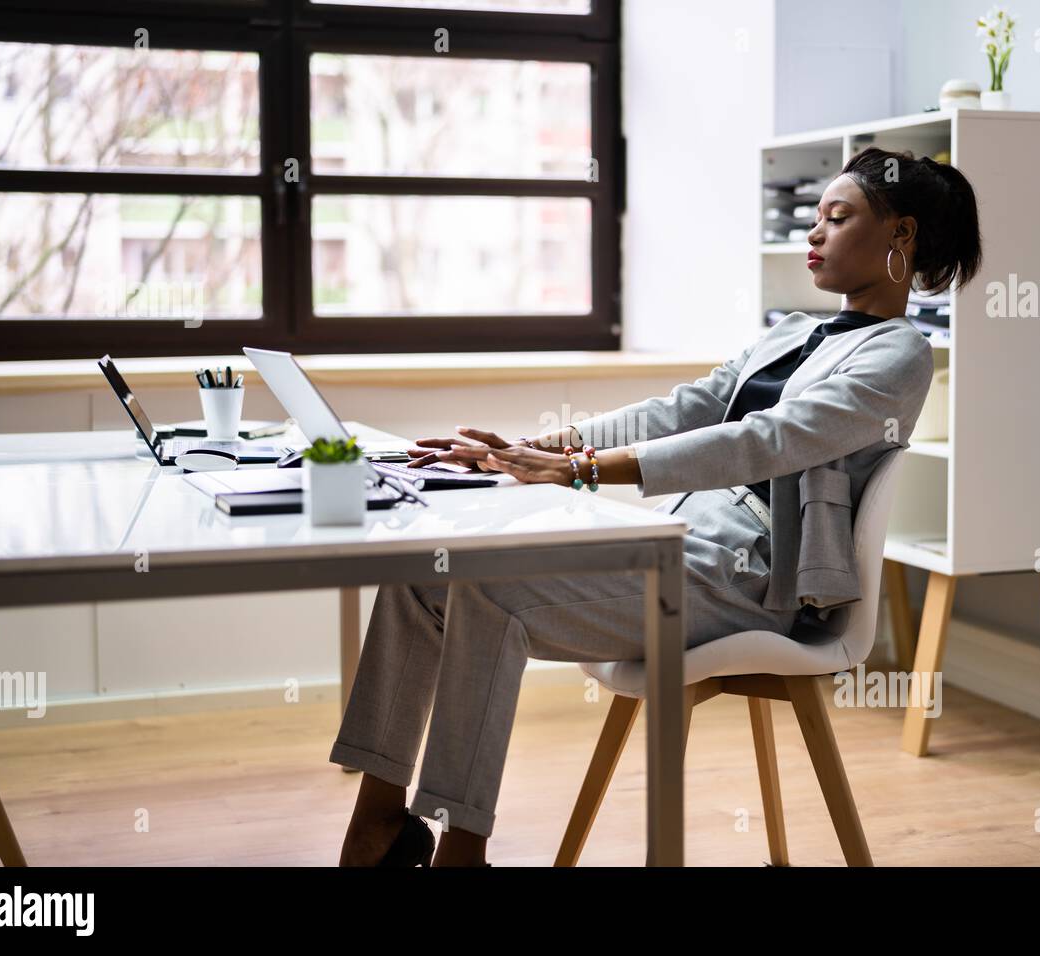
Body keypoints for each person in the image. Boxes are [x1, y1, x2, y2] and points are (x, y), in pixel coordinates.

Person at [332, 146, 983, 866]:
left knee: (485, 591)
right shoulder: (794, 332)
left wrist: (578, 471)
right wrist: (529, 448)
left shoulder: (900, 357)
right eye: (814, 218)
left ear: (902, 237)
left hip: (750, 581)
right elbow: (686, 409)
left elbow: (762, 442)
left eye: (838, 217)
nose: (814, 234)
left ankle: (462, 850)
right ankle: (378, 826)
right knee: (419, 573)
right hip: (678, 545)